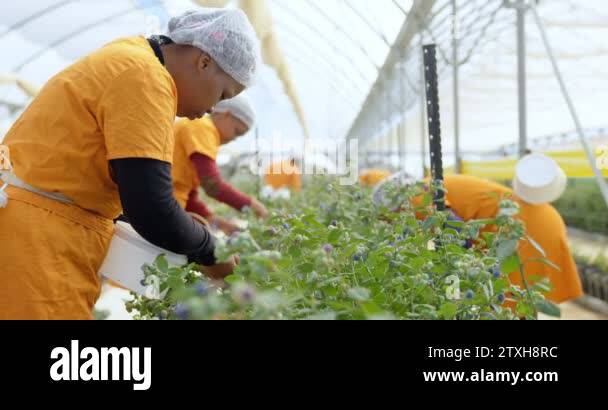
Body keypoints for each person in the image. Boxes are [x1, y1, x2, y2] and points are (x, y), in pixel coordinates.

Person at [0, 9, 261, 319]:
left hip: (42, 229)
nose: (212, 109)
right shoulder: (145, 78)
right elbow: (151, 208)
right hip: (39, 240)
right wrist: (210, 250)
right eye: (221, 94)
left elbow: (119, 183)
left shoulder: (134, 59)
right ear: (203, 62)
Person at [374, 158, 583, 304]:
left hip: (524, 227)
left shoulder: (418, 198)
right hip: (535, 218)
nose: (390, 223)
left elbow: (456, 237)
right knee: (520, 299)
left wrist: (451, 291)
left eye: (387, 217)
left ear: (394, 206)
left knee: (511, 298)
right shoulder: (424, 188)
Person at [172, 94, 268, 235]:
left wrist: (219, 223)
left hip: (169, 205)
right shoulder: (203, 127)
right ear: (226, 115)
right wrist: (252, 205)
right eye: (237, 131)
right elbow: (212, 184)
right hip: (161, 206)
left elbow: (189, 197)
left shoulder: (201, 133)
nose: (234, 139)